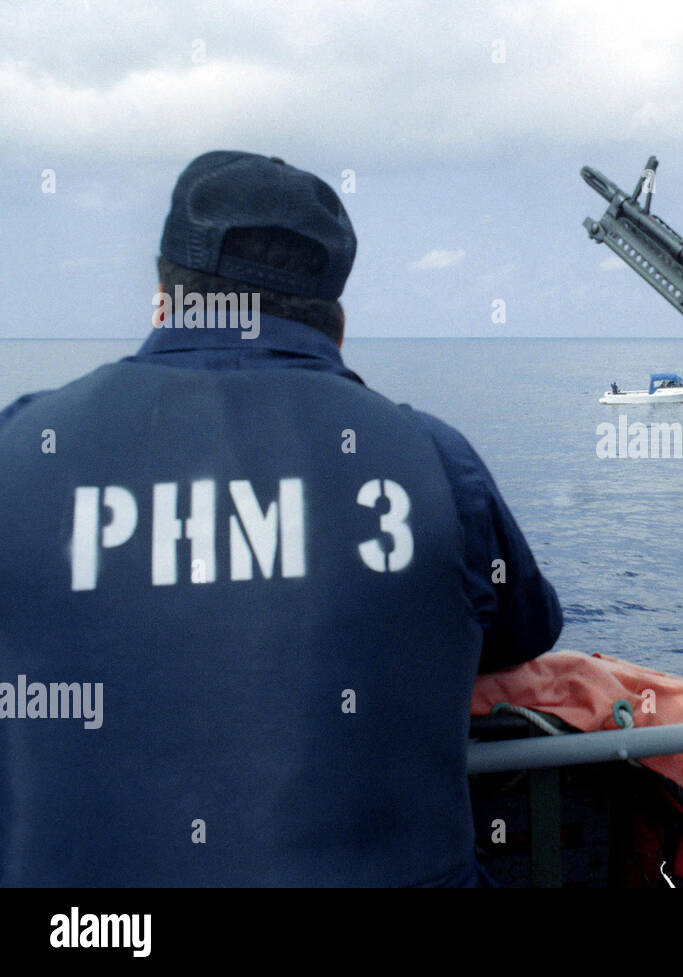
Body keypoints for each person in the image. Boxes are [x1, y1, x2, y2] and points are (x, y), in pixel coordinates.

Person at [0, 150, 562, 886]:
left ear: (163, 300)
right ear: (337, 325)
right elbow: (526, 632)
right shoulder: (433, 460)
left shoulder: (19, 448)